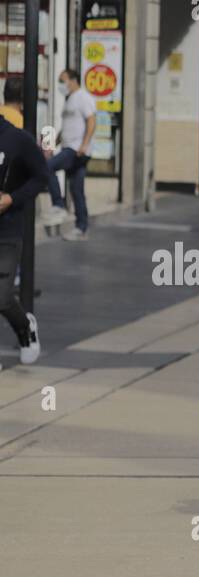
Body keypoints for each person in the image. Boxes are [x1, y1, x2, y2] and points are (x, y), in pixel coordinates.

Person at [0, 111, 48, 370]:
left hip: (7, 232)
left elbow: (42, 176)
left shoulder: (17, 140)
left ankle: (25, 326)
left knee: (0, 297)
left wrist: (11, 199)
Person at [41, 69, 96, 241]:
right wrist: (53, 145)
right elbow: (66, 128)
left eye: (62, 80)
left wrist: (84, 144)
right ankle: (82, 228)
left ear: (73, 80)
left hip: (76, 149)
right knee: (76, 189)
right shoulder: (69, 100)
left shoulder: (83, 97)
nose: (60, 84)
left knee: (47, 167)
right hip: (69, 146)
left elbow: (92, 121)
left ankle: (58, 204)